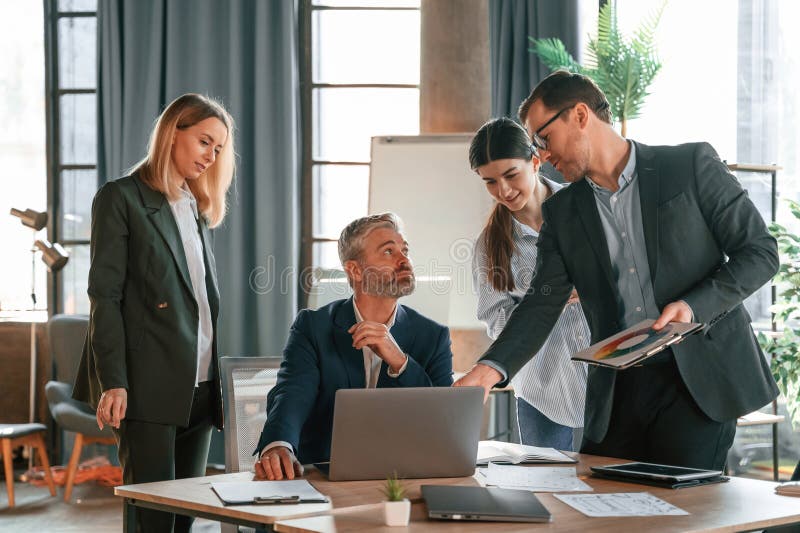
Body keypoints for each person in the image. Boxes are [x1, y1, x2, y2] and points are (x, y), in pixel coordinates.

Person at [456, 70, 779, 470]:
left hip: (697, 381)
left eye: (543, 137)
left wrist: (693, 306)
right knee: (604, 511)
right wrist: (489, 370)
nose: (543, 152)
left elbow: (760, 252)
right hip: (618, 389)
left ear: (578, 115)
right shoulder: (564, 212)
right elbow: (540, 305)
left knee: (683, 518)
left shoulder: (689, 165)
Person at [73, 93, 235, 532]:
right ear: (173, 131)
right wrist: (114, 381)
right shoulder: (120, 198)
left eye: (218, 148)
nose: (211, 156)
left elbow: (199, 301)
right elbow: (104, 296)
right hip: (146, 386)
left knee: (184, 517)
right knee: (152, 520)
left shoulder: (196, 209)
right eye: (205, 141)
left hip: (199, 386)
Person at [253, 213, 454, 480]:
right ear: (355, 270)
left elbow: (444, 419)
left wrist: (400, 362)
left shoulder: (433, 336)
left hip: (405, 478)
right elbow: (292, 393)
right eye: (388, 251)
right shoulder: (313, 327)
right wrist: (279, 444)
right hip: (325, 475)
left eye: (405, 250)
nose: (404, 259)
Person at [469, 117, 589, 451]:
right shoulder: (488, 247)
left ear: (535, 161)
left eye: (511, 175)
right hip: (543, 393)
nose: (503, 191)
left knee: (613, 492)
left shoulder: (585, 208)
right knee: (547, 496)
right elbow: (495, 322)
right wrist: (547, 299)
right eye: (490, 182)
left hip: (608, 384)